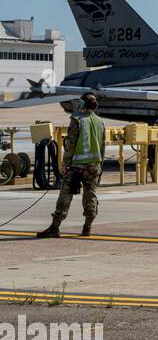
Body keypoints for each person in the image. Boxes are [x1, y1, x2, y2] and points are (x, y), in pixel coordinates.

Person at [36, 92, 106, 238]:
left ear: (82, 104)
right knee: (90, 195)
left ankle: (55, 227)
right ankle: (87, 228)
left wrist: (64, 164)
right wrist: (100, 165)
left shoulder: (77, 120)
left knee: (65, 196)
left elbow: (71, 144)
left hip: (77, 166)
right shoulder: (100, 121)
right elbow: (102, 146)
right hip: (94, 166)